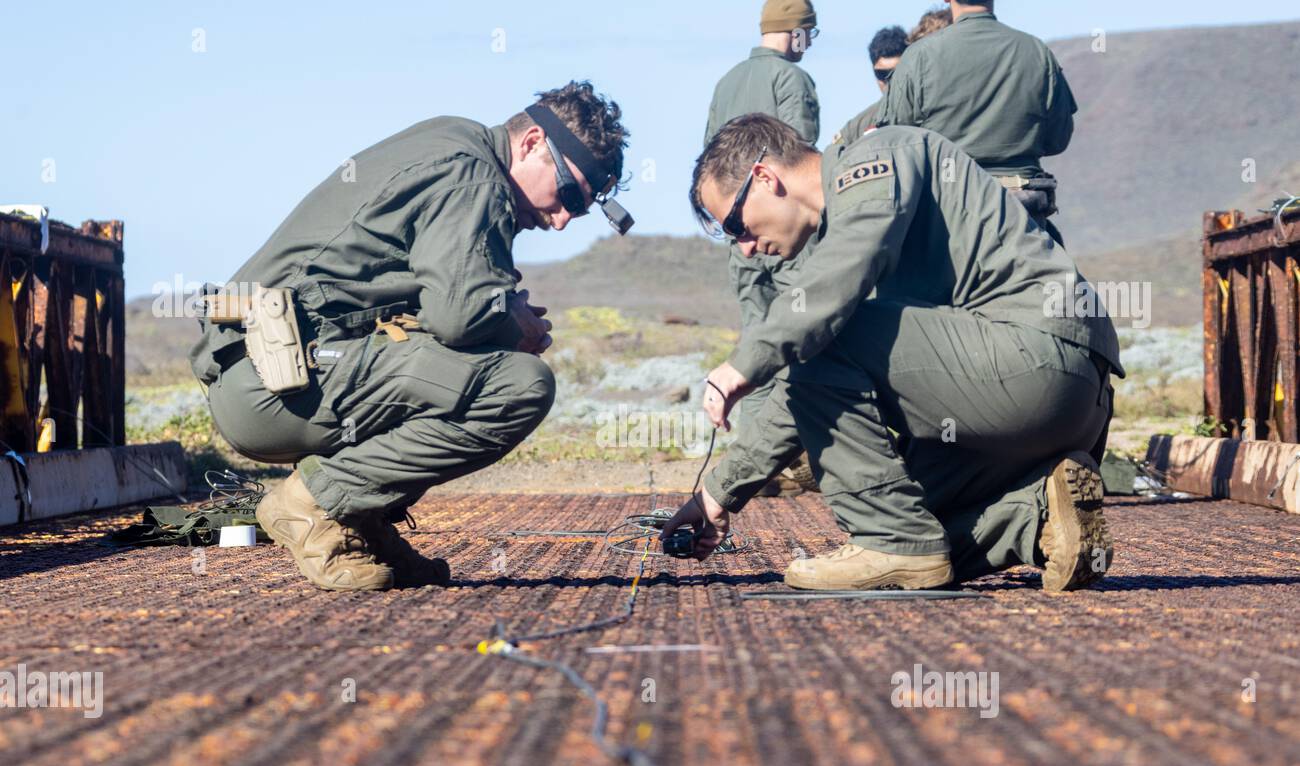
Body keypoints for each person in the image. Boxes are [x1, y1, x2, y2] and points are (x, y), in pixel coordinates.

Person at [189, 81, 632, 591]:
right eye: (569, 194)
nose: (560, 221)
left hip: (273, 372)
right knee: (518, 384)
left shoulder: (457, 145)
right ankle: (313, 504)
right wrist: (514, 323)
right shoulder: (473, 178)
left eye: (578, 210)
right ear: (532, 142)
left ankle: (361, 519)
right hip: (276, 382)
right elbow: (458, 317)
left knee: (469, 366)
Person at [662, 114, 1123, 593]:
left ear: (765, 177)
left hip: (1037, 363)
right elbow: (805, 390)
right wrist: (718, 493)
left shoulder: (874, 157)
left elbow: (830, 303)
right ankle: (1036, 516)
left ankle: (892, 542)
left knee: (892, 525)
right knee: (916, 519)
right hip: (1052, 405)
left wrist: (745, 364)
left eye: (736, 225)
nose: (746, 249)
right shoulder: (839, 243)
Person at [704, 0, 821, 497]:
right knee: (800, 334)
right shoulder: (794, 82)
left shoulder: (727, 81)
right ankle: (797, 453)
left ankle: (756, 457)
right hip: (784, 234)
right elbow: (802, 154)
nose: (810, 44)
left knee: (755, 333)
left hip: (740, 237)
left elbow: (709, 161)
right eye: (810, 35)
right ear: (795, 35)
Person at [876, 1, 1077, 243]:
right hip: (1025, 217)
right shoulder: (1036, 51)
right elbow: (1058, 139)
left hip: (946, 219)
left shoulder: (919, 56)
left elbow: (892, 142)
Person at [831, 25, 907, 150]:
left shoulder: (927, 113)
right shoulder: (856, 128)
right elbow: (834, 156)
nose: (889, 81)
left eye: (896, 73)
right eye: (882, 74)